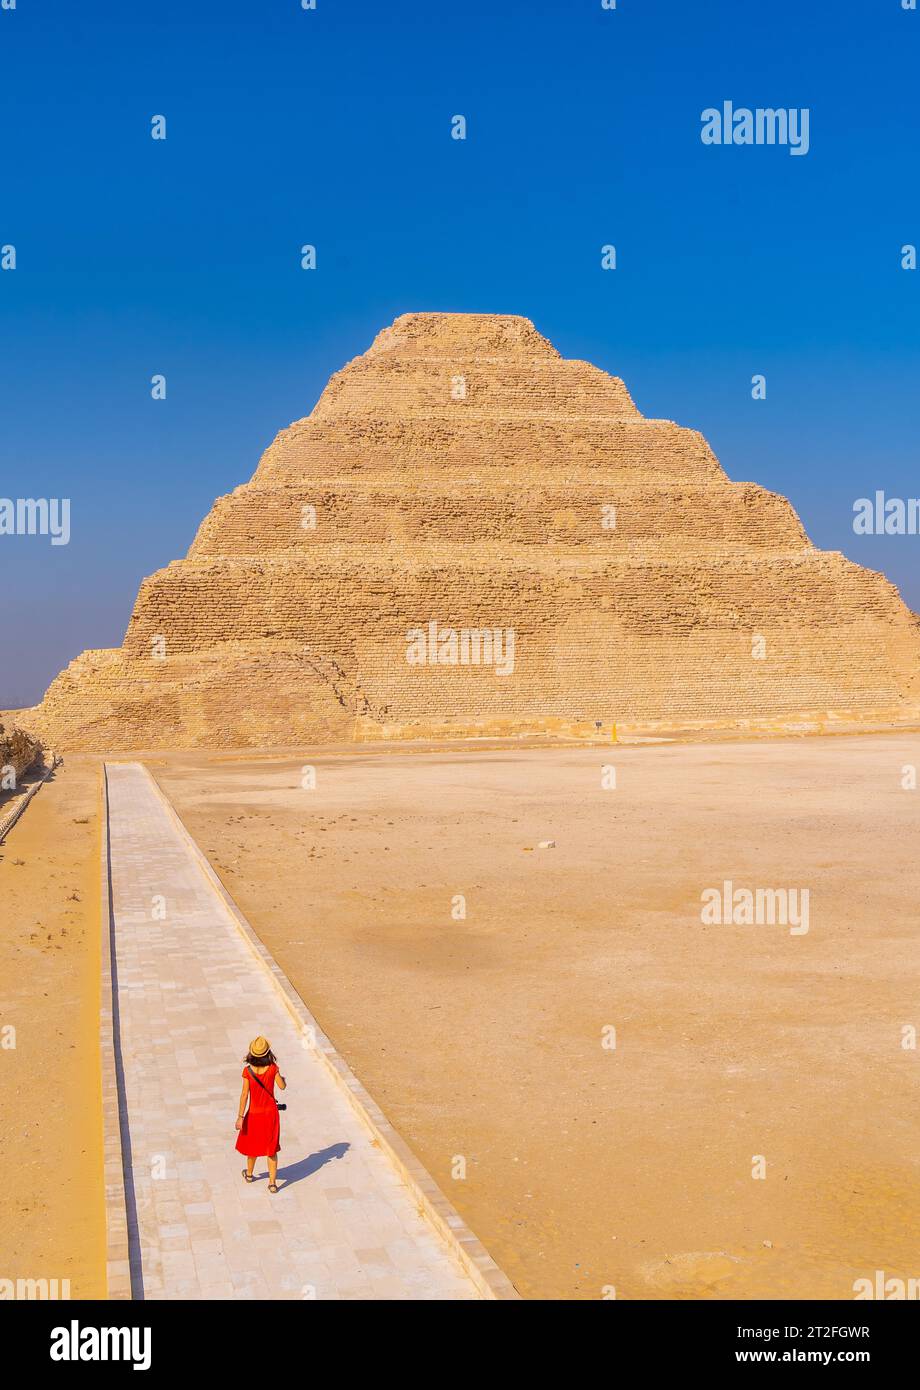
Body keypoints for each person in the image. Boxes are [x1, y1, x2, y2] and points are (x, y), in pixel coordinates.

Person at [235, 1035, 286, 1193]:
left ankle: (249, 1174)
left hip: (254, 1114)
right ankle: (272, 1183)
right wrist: (282, 1078)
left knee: (253, 1146)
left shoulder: (247, 1071)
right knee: (271, 1149)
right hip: (270, 1114)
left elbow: (244, 1095)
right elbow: (282, 1087)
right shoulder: (273, 1068)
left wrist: (240, 1117)